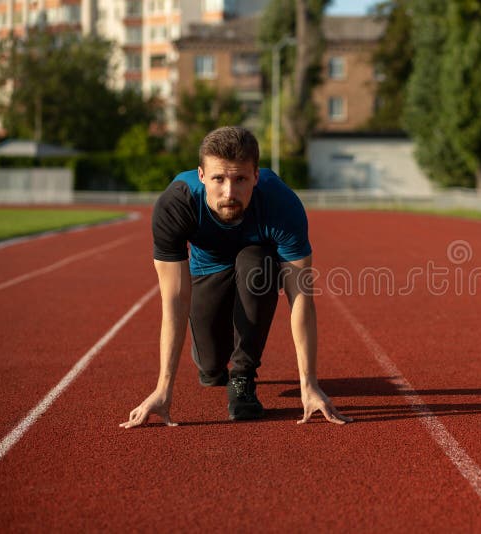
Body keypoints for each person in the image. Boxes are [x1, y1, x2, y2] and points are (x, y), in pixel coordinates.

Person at [120, 126, 352, 427]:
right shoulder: (177, 204)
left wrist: (308, 385)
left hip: (256, 263)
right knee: (210, 368)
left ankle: (242, 377)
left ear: (256, 176)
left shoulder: (281, 204)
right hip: (208, 269)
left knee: (259, 261)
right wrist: (163, 389)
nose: (229, 192)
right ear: (202, 176)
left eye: (240, 179)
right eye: (219, 179)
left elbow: (301, 299)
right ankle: (215, 364)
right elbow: (175, 299)